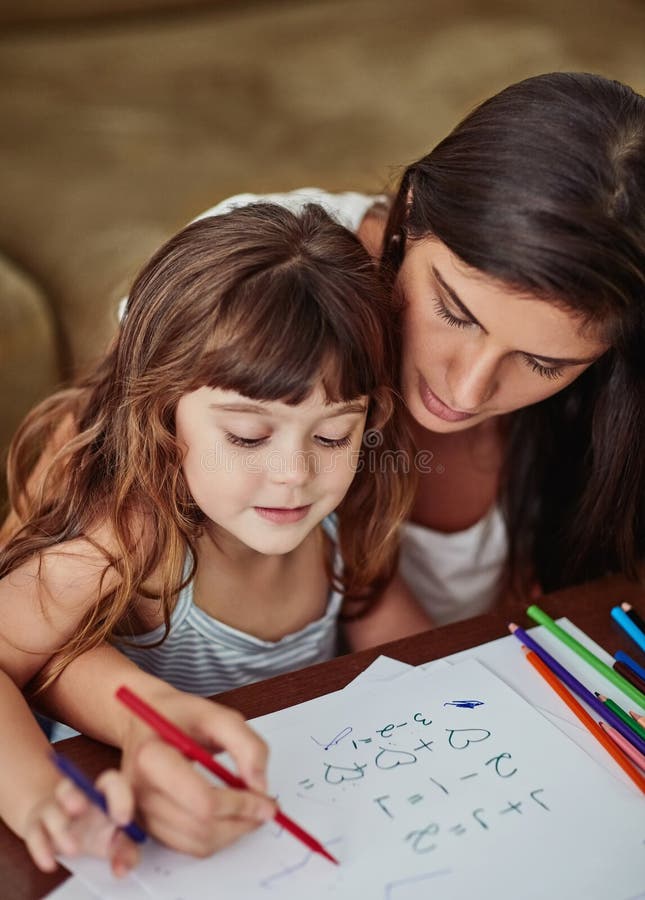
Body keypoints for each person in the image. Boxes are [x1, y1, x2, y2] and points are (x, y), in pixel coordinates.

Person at [0, 202, 430, 871]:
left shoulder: (353, 511)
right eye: (247, 435)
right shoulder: (136, 534)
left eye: (331, 434)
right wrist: (39, 800)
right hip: (139, 830)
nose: (294, 475)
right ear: (164, 418)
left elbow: (418, 661)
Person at [194, 70, 645, 624]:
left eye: (542, 363)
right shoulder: (264, 274)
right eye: (454, 312)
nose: (467, 389)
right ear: (409, 212)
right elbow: (89, 495)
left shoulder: (615, 398)